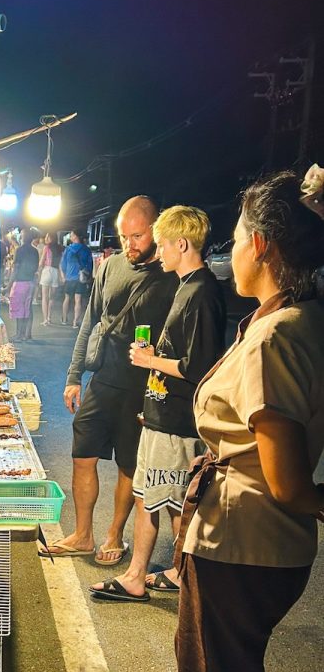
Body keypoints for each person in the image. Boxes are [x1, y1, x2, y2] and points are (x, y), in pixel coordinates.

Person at [139, 169, 324, 672]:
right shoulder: (295, 317)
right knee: (213, 670)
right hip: (241, 536)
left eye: (240, 238)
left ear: (265, 246)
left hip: (243, 541)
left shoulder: (279, 335)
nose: (232, 251)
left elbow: (287, 481)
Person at [90, 206, 226, 602]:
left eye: (163, 244)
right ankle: (147, 575)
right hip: (159, 412)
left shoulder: (202, 292)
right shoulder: (186, 285)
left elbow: (199, 366)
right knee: (151, 496)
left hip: (178, 420)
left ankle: (187, 582)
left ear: (181, 244)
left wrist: (151, 361)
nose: (159, 251)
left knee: (176, 503)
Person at [47, 196, 177, 563]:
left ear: (155, 230)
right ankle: (82, 534)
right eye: (123, 237)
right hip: (103, 378)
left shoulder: (170, 274)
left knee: (128, 465)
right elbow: (90, 321)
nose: (129, 245)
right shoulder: (110, 266)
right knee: (82, 454)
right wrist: (74, 375)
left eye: (137, 237)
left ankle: (114, 534)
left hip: (142, 386)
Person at [8, 227, 40, 342]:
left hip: (20, 282)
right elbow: (36, 267)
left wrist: (8, 286)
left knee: (19, 309)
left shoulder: (19, 250)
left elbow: (15, 269)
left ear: (23, 237)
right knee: (28, 308)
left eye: (21, 234)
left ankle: (19, 334)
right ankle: (28, 334)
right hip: (30, 282)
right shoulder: (35, 251)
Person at [60, 230, 94, 327]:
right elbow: (90, 265)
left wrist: (63, 275)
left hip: (69, 277)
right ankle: (75, 321)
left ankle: (64, 319)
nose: (70, 237)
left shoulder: (68, 249)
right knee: (78, 300)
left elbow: (63, 264)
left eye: (71, 235)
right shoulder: (86, 249)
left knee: (67, 298)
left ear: (75, 236)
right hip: (81, 278)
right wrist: (88, 276)